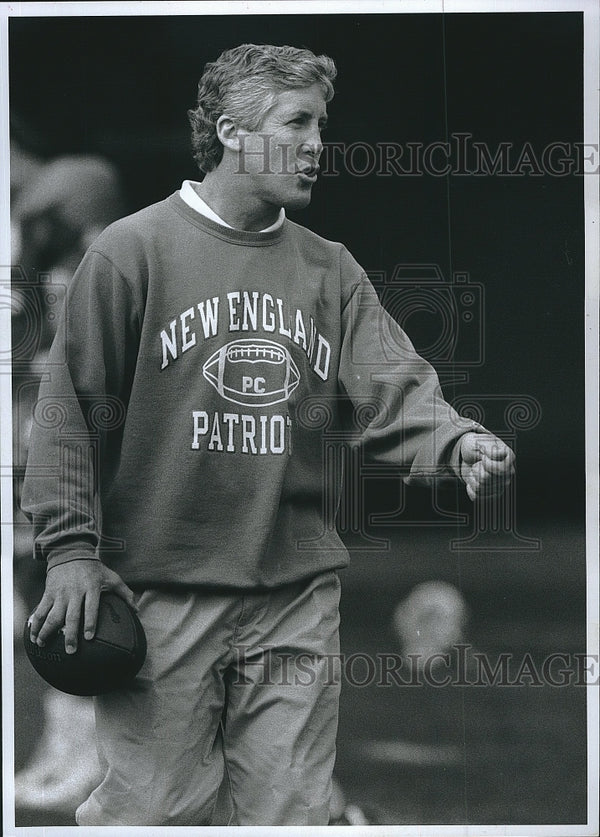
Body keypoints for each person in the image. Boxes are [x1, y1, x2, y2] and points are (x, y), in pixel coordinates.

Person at [21, 44, 515, 827]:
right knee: (154, 812)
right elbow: (69, 412)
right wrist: (71, 550)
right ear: (231, 132)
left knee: (288, 813)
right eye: (297, 123)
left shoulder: (331, 269)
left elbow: (391, 382)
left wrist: (455, 441)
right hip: (159, 591)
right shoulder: (131, 252)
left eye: (322, 123)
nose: (319, 144)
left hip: (294, 593)